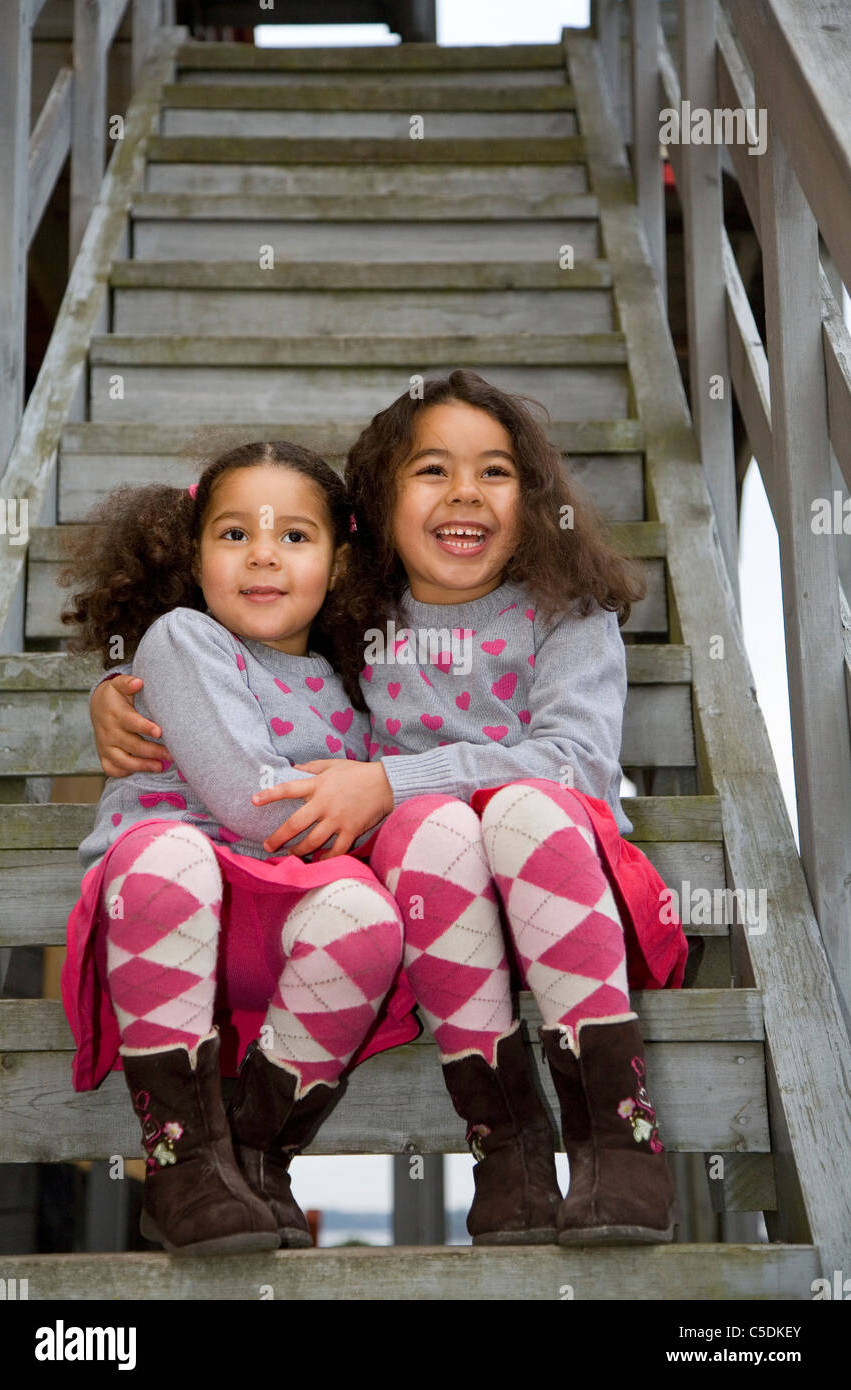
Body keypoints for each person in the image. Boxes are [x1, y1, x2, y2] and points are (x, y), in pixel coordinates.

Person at [89, 372, 689, 1247]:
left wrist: (392, 782)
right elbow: (247, 660)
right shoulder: (360, 621)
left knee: (522, 806)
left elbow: (578, 765)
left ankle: (620, 1142)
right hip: (428, 909)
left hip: (566, 899)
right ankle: (508, 1154)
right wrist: (117, 691)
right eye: (432, 471)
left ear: (534, 496)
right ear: (375, 511)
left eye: (495, 472)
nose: (464, 493)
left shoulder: (569, 615)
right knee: (432, 827)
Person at [60, 441, 407, 1256]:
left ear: (339, 559)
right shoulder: (181, 640)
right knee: (168, 852)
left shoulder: (345, 686)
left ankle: (254, 1158)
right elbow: (252, 802)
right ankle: (183, 1163)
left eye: (294, 536)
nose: (263, 556)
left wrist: (379, 794)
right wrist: (357, 802)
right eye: (233, 534)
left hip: (269, 922)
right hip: (165, 911)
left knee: (368, 914)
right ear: (193, 553)